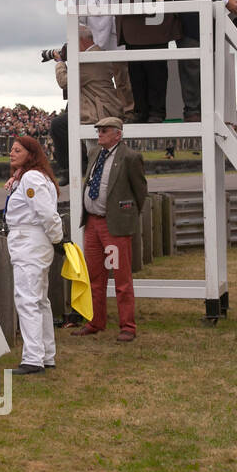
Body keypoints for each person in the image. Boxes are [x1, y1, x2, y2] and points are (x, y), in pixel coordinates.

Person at [73, 117, 147, 342]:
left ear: (118, 134)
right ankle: (95, 321)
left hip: (113, 225)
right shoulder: (95, 153)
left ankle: (128, 326)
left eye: (104, 131)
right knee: (95, 276)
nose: (99, 134)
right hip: (92, 223)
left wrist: (125, 216)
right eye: (98, 130)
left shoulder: (130, 157)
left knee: (122, 278)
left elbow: (140, 192)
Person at [3, 134, 65, 374]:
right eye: (12, 149)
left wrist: (58, 237)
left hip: (29, 240)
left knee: (28, 299)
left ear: (31, 154)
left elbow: (47, 213)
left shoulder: (31, 177)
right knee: (39, 301)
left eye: (17, 150)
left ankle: (32, 358)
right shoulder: (29, 177)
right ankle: (46, 354)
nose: (12, 153)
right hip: (31, 240)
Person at [118, 0, 180, 123]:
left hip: (154, 30)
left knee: (156, 74)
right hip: (131, 30)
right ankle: (140, 111)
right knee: (135, 76)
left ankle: (156, 112)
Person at [49, 25, 122, 182]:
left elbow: (65, 82)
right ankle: (77, 164)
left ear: (80, 40)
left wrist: (60, 62)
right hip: (98, 107)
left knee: (58, 125)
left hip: (98, 112)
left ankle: (71, 167)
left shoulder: (89, 59)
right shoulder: (96, 54)